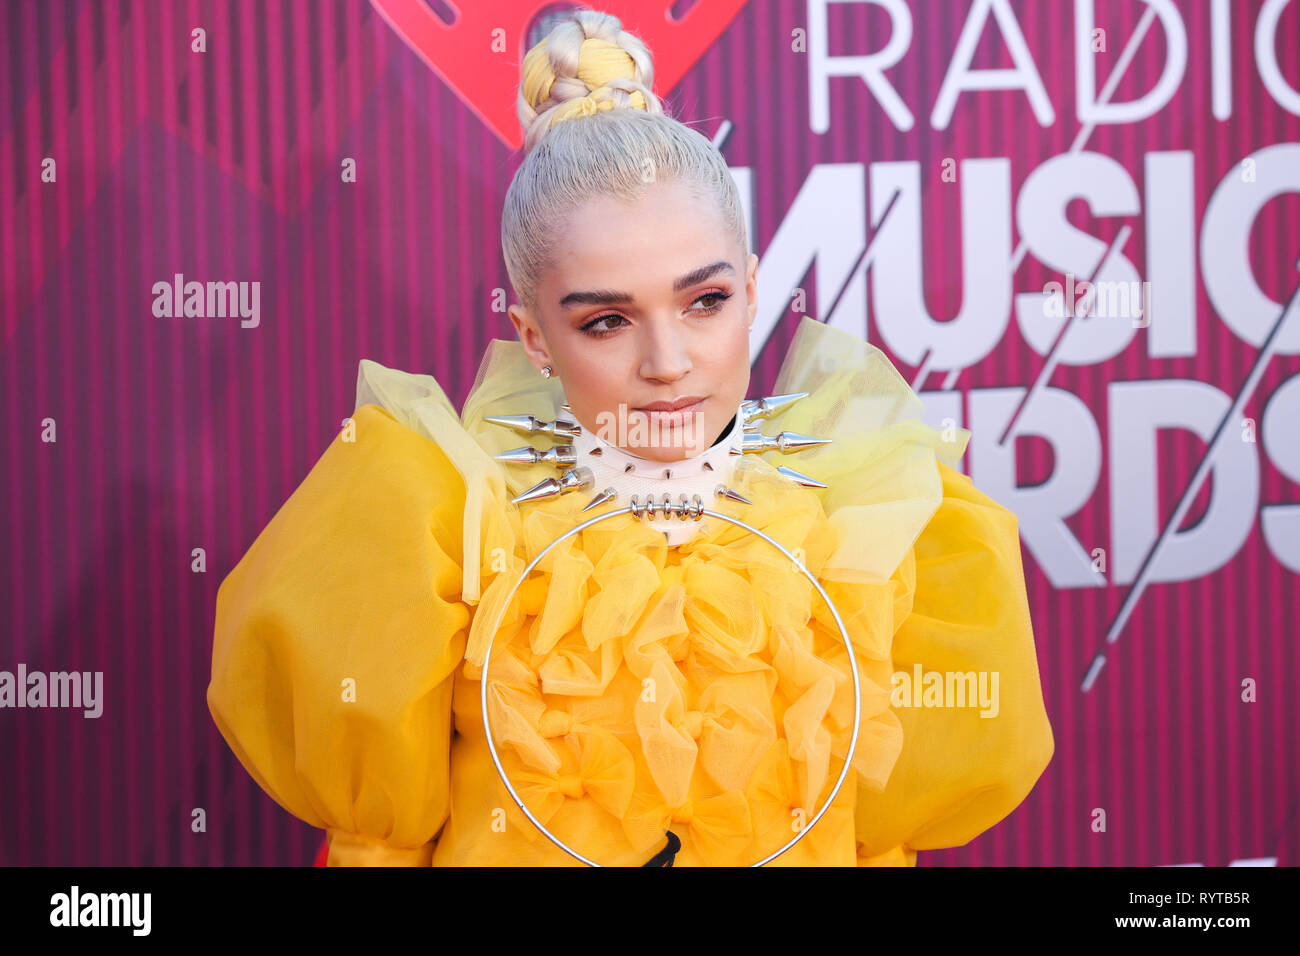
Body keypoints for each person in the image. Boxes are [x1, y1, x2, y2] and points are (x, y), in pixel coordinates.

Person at [207, 8, 1053, 867]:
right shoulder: (438, 529)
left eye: (705, 302)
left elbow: (880, 846)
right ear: (534, 335)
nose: (668, 362)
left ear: (754, 290)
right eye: (607, 320)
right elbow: (377, 851)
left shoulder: (874, 527)